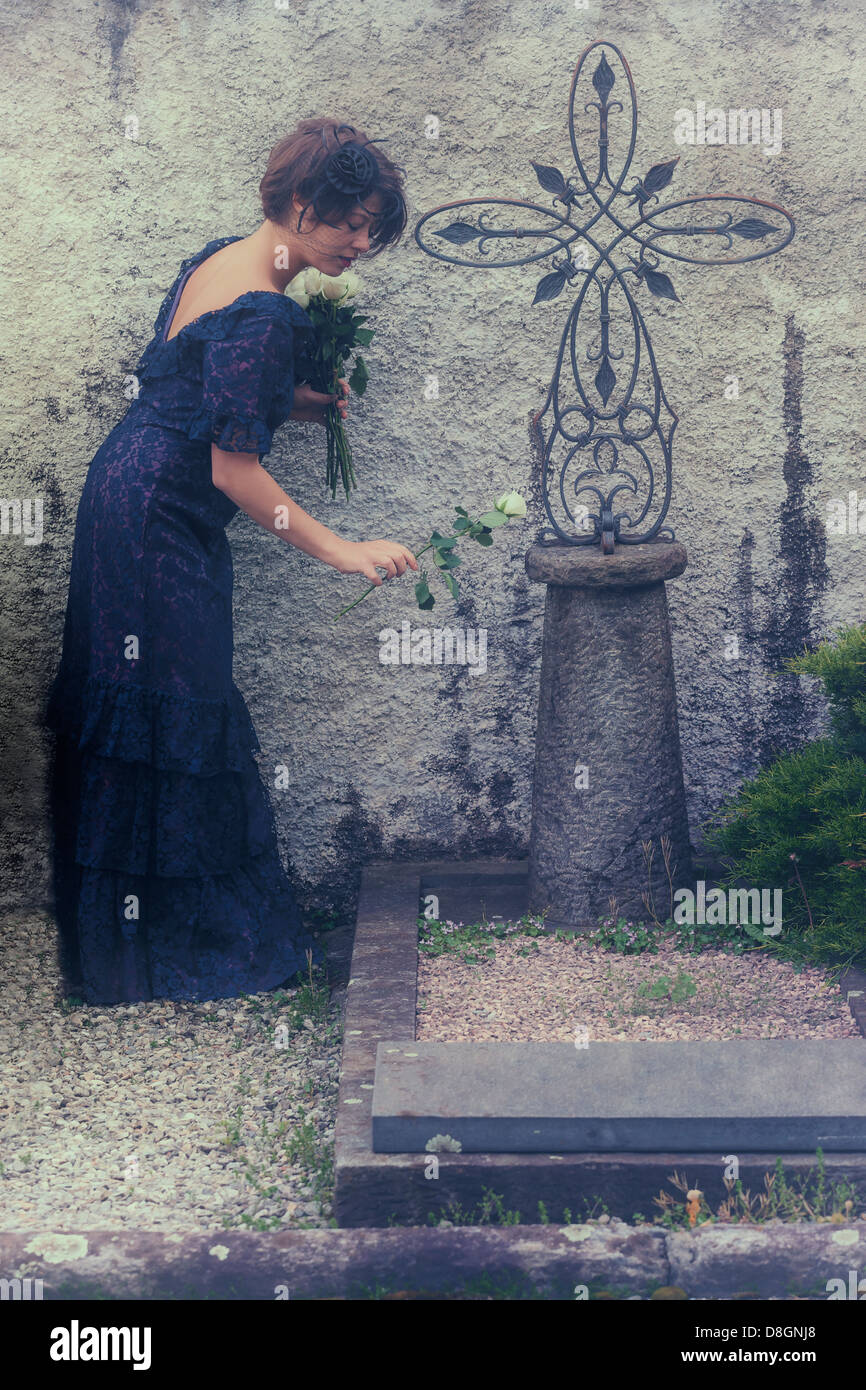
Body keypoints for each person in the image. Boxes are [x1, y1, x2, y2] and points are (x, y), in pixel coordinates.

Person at [45, 121, 418, 1005]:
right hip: (161, 522)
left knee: (156, 710)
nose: (360, 245)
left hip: (126, 493)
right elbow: (232, 468)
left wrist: (301, 404)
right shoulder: (268, 311)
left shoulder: (230, 260)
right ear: (300, 206)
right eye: (351, 225)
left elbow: (193, 389)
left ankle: (129, 949)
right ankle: (183, 952)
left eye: (370, 229)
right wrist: (342, 550)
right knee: (179, 709)